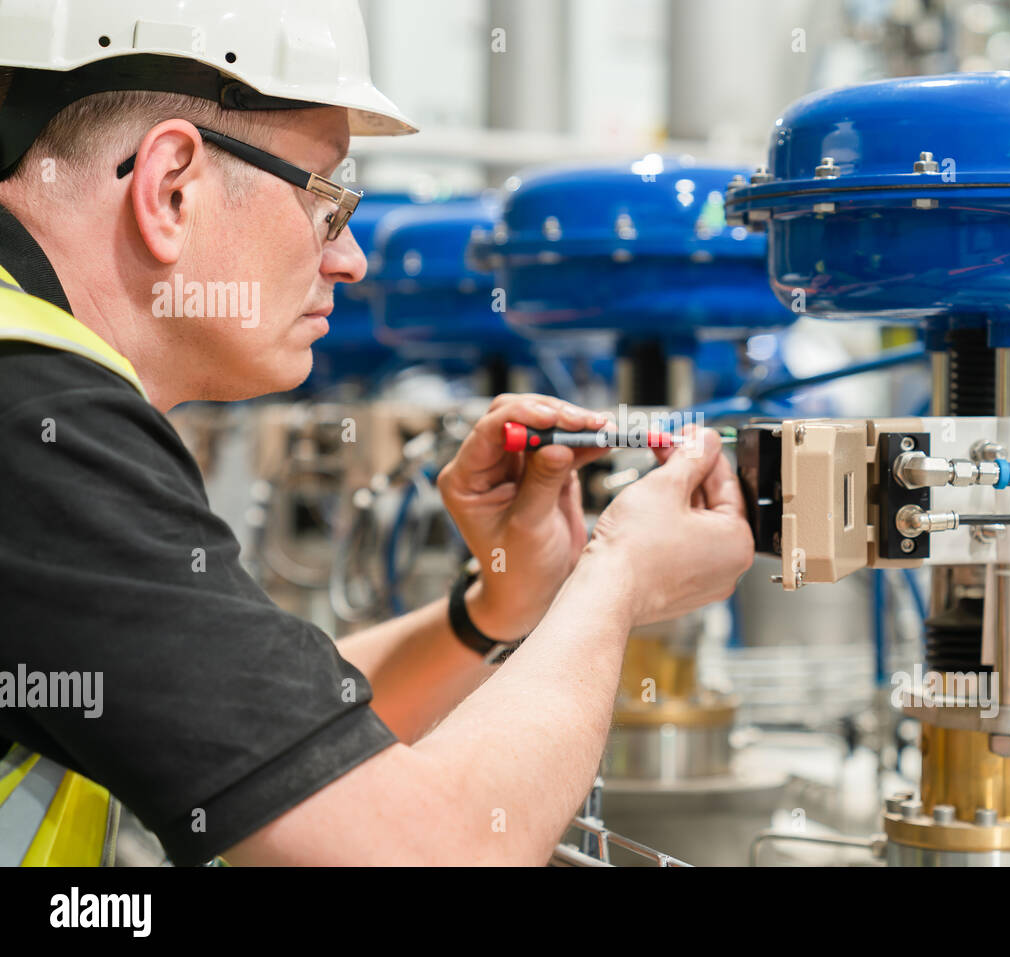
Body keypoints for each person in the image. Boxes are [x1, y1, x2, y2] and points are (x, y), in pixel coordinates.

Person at [0, 0, 753, 866]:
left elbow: (277, 753)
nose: (351, 257)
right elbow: (428, 853)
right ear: (171, 184)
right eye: (327, 200)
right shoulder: (36, 423)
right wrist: (619, 573)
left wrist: (494, 609)